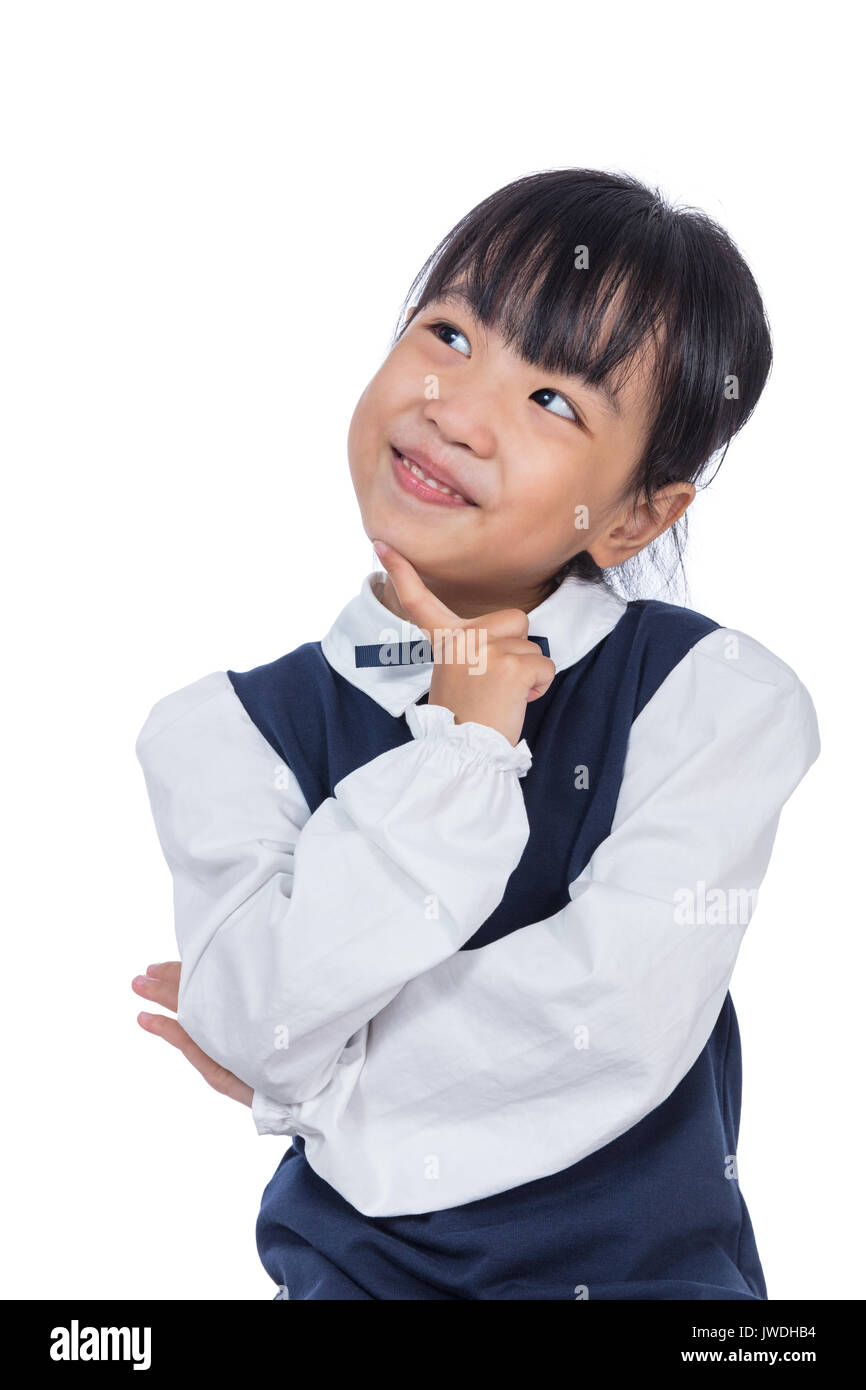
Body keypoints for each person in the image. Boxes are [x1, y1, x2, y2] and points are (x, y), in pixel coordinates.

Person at [132, 168, 820, 1300]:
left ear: (641, 512)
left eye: (553, 401)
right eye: (447, 332)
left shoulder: (714, 701)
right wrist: (460, 748)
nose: (453, 409)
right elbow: (259, 1014)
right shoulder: (224, 732)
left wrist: (302, 1084)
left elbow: (607, 1022)